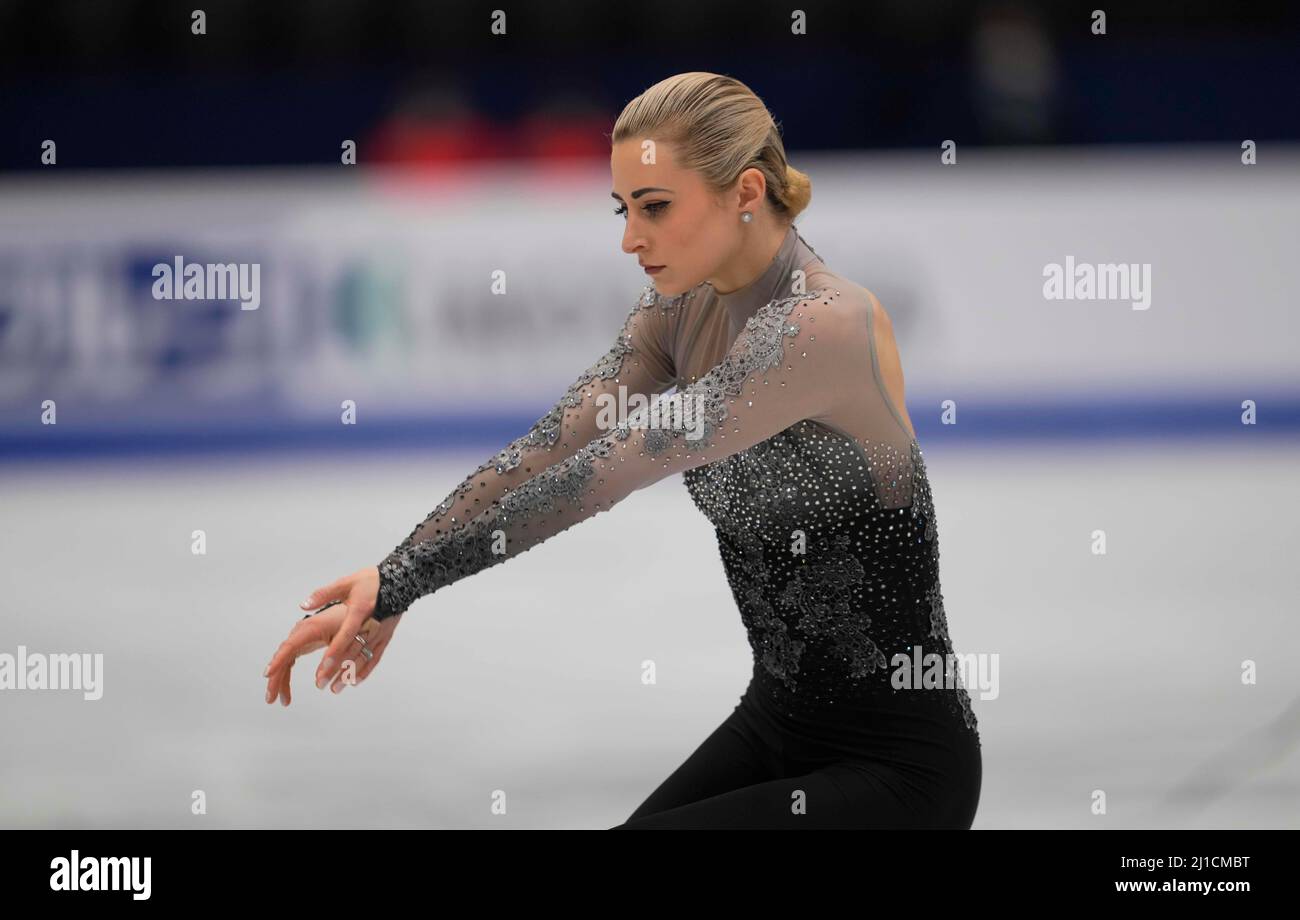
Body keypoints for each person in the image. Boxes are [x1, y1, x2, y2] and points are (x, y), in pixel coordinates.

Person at [263, 72, 980, 829]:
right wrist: (393, 575)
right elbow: (550, 450)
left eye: (655, 208)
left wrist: (405, 580)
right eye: (625, 208)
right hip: (776, 728)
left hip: (898, 770)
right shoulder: (678, 310)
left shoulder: (824, 325)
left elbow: (600, 476)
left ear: (744, 191)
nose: (630, 239)